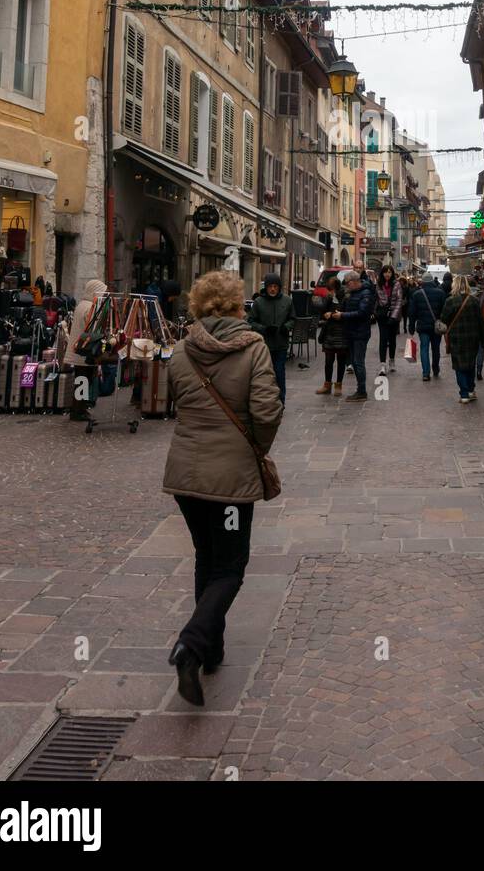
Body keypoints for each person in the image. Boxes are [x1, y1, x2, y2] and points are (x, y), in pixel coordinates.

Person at [163, 271, 283, 705]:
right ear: (237, 305)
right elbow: (266, 411)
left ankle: (210, 651)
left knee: (206, 558)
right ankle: (191, 644)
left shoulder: (180, 349)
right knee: (229, 567)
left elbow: (176, 401)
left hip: (186, 476)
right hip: (230, 480)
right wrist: (254, 449)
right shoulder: (253, 348)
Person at [248, 273, 294, 404]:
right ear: (266, 287)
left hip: (281, 344)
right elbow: (250, 321)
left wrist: (287, 327)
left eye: (275, 286)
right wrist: (264, 329)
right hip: (264, 345)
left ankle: (281, 401)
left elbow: (293, 318)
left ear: (279, 287)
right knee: (264, 374)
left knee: (279, 372)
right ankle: (266, 401)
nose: (272, 289)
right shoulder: (258, 302)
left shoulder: (287, 301)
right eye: (270, 287)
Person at [441, 273, 484, 405]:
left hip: (456, 338)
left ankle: (464, 394)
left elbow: (444, 320)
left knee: (459, 366)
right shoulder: (473, 301)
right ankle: (471, 390)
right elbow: (481, 322)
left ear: (454, 285)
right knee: (470, 364)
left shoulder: (450, 301)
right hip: (473, 338)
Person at [65, 278, 107, 420]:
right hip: (84, 352)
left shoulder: (82, 304)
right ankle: (78, 411)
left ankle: (78, 409)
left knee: (81, 380)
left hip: (79, 351)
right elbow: (93, 329)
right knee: (83, 381)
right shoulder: (90, 307)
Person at [330, 271, 374, 402]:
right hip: (352, 332)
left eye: (348, 284)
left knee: (358, 362)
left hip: (360, 333)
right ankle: (360, 390)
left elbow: (362, 313)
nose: (347, 287)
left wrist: (343, 315)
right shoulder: (352, 293)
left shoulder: (366, 294)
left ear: (355, 282)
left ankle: (362, 391)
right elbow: (348, 308)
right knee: (355, 362)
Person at [316, 272, 349, 397]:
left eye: (330, 290)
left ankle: (339, 385)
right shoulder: (329, 297)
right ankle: (327, 385)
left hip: (341, 333)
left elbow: (345, 312)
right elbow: (322, 311)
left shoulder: (344, 297)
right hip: (329, 332)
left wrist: (334, 314)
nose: (329, 292)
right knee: (328, 360)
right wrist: (325, 313)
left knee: (341, 361)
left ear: (335, 288)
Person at [408, 271, 446, 382]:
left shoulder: (417, 294)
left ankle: (425, 373)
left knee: (424, 349)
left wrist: (411, 327)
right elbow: (444, 310)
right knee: (436, 349)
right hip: (436, 326)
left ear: (423, 282)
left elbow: (412, 312)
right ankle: (436, 368)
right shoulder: (440, 293)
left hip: (423, 326)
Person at [376, 265, 403, 376]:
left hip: (393, 317)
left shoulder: (397, 284)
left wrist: (393, 316)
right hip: (382, 316)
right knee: (383, 340)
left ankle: (392, 361)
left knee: (392, 340)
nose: (387, 274)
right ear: (382, 273)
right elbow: (377, 299)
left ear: (392, 274)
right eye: (385, 272)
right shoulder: (378, 285)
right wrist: (375, 312)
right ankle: (382, 365)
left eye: (389, 272)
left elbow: (399, 301)